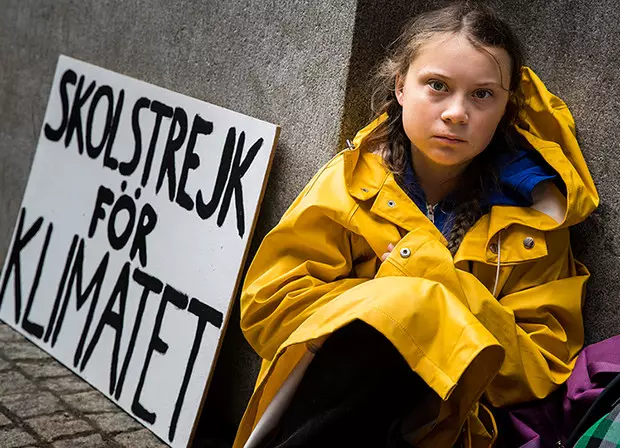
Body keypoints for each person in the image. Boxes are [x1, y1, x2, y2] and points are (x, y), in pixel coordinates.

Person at [232, 2, 599, 448]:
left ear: (507, 107)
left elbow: (542, 367)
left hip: (445, 425)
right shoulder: (352, 184)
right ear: (401, 86)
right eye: (437, 86)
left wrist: (438, 283)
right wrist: (396, 297)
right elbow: (268, 309)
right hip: (321, 409)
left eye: (483, 94)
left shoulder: (535, 220)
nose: (456, 113)